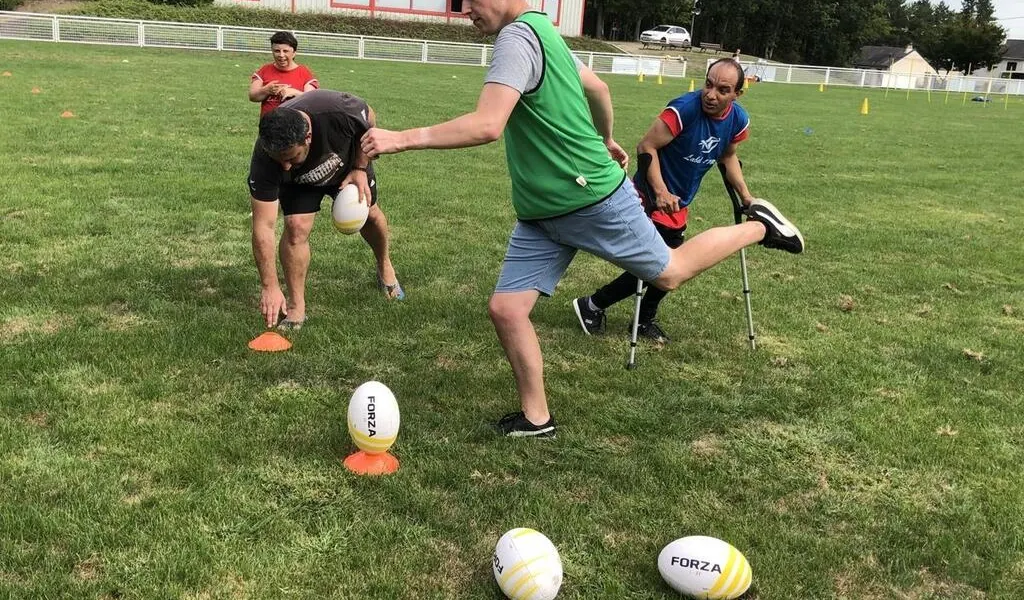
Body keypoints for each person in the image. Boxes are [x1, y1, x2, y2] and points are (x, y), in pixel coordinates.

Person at [359, 0, 803, 438]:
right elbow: (599, 89)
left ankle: (760, 225)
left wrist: (401, 137)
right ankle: (537, 419)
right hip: (542, 210)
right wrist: (606, 137)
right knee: (507, 309)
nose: (464, 9)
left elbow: (488, 124)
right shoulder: (543, 29)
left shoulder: (517, 36)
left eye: (470, 0)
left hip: (589, 198)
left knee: (669, 272)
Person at [572, 58, 797, 344]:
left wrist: (747, 197)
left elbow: (728, 156)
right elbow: (646, 146)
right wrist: (661, 191)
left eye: (723, 90)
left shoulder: (738, 120)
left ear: (738, 94)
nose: (711, 94)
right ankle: (596, 305)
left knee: (666, 263)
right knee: (661, 264)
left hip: (679, 202)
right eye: (709, 84)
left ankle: (632, 317)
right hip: (651, 197)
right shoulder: (683, 110)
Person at [249, 90, 404, 331]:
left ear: (308, 137)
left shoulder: (337, 110)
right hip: (301, 184)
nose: (285, 166)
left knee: (370, 216)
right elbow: (263, 226)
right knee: (295, 229)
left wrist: (361, 167)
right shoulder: (266, 157)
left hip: (346, 166)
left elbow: (369, 121)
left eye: (291, 157)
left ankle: (384, 265)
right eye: (279, 160)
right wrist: (269, 285)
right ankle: (296, 306)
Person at [249, 31, 320, 117]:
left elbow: (312, 100)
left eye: (285, 51)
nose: (281, 55)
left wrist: (295, 93)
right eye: (277, 51)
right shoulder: (264, 70)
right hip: (268, 125)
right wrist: (266, 90)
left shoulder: (304, 73)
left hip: (295, 125)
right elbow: (252, 96)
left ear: (294, 53)